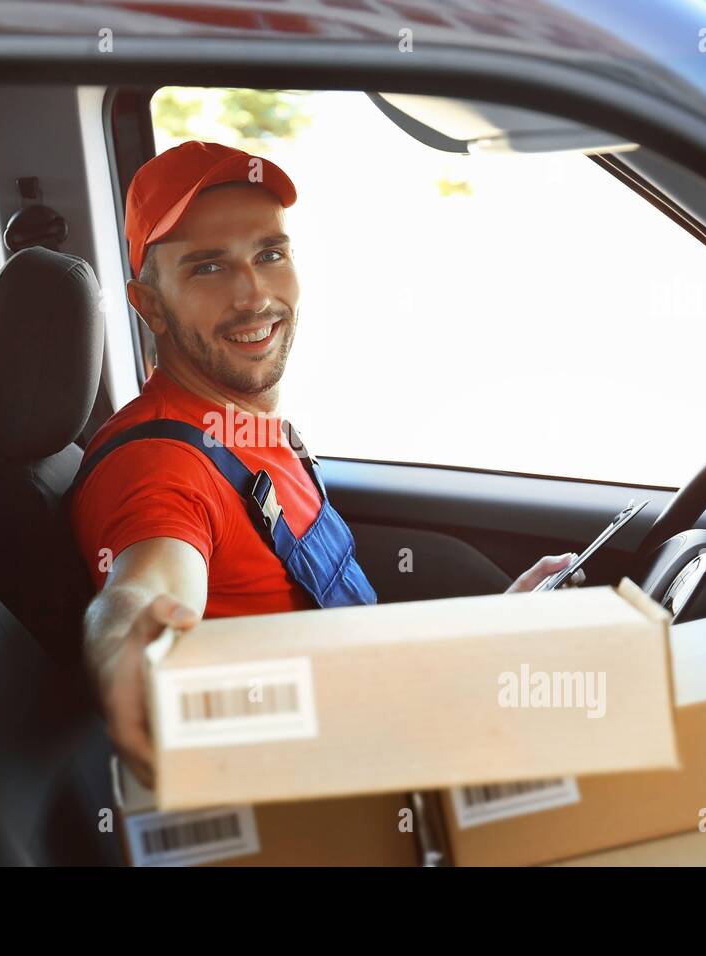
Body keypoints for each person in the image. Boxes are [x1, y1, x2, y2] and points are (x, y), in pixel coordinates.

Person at [71, 141, 579, 786]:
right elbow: (142, 590)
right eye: (207, 268)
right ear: (148, 305)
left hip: (381, 746)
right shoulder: (159, 464)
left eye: (270, 254)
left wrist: (486, 635)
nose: (253, 295)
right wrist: (131, 657)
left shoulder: (250, 431)